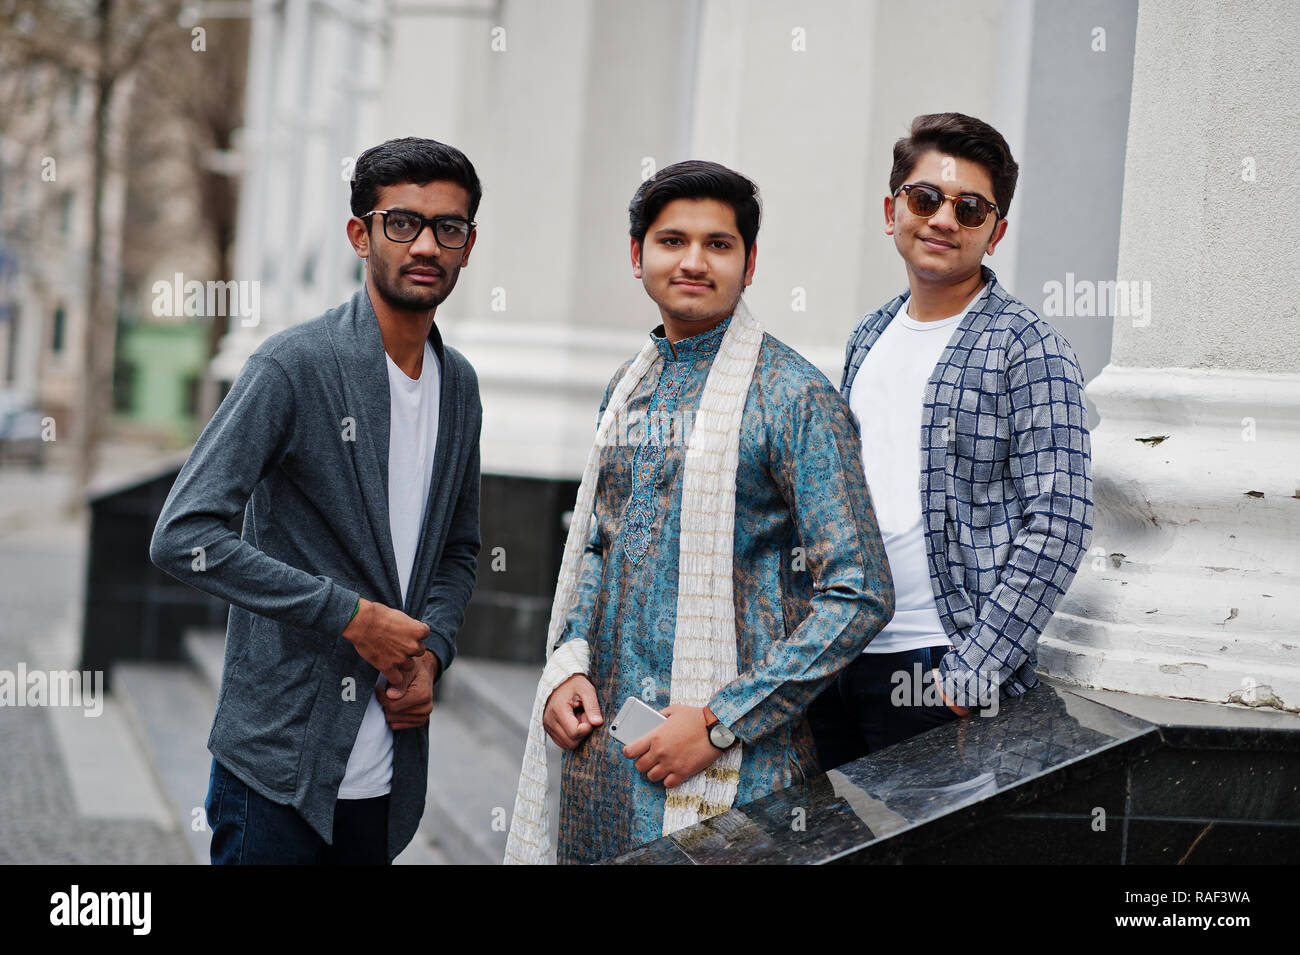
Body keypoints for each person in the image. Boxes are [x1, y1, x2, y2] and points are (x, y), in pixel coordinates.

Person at [505, 160, 893, 865]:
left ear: (749, 265)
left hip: (742, 775)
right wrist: (568, 661)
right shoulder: (627, 389)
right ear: (637, 256)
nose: (692, 261)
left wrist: (718, 723)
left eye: (718, 244)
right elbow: (598, 542)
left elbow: (860, 593)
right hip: (609, 759)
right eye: (671, 240)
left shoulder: (795, 397)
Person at [149, 137, 483, 864]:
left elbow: (459, 549)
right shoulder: (293, 365)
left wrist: (434, 653)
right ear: (361, 234)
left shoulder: (460, 386)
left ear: (467, 246)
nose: (426, 244)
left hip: (388, 768)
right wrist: (351, 616)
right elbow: (183, 533)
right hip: (279, 763)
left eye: (447, 228)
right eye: (403, 222)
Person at [808, 112, 1094, 769]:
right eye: (925, 198)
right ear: (892, 210)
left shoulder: (1028, 347)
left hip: (937, 669)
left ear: (993, 232)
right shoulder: (868, 336)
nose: (943, 219)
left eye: (970, 209)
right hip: (840, 661)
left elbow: (1061, 518)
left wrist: (976, 666)